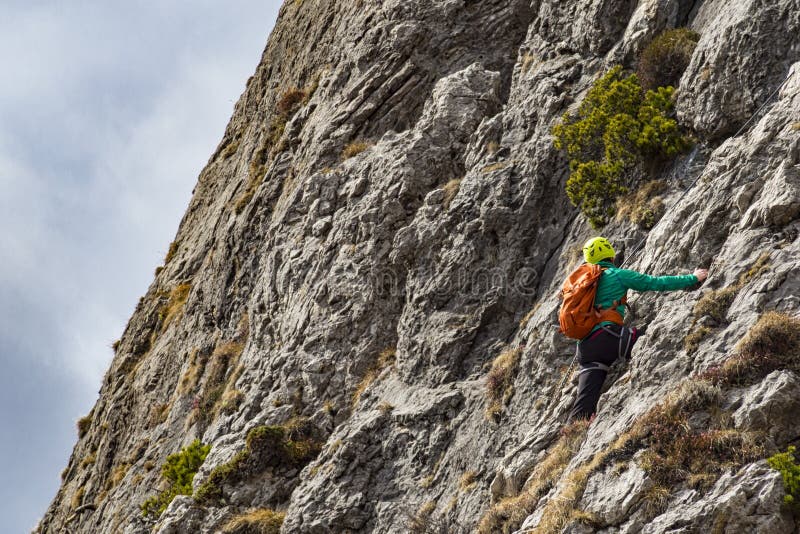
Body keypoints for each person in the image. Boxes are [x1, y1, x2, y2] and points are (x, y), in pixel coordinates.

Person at [568, 237, 707, 421]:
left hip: (586, 348)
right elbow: (655, 283)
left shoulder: (581, 284)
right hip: (609, 338)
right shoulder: (617, 275)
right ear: (610, 255)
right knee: (651, 340)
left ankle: (574, 429)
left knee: (583, 404)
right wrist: (692, 278)